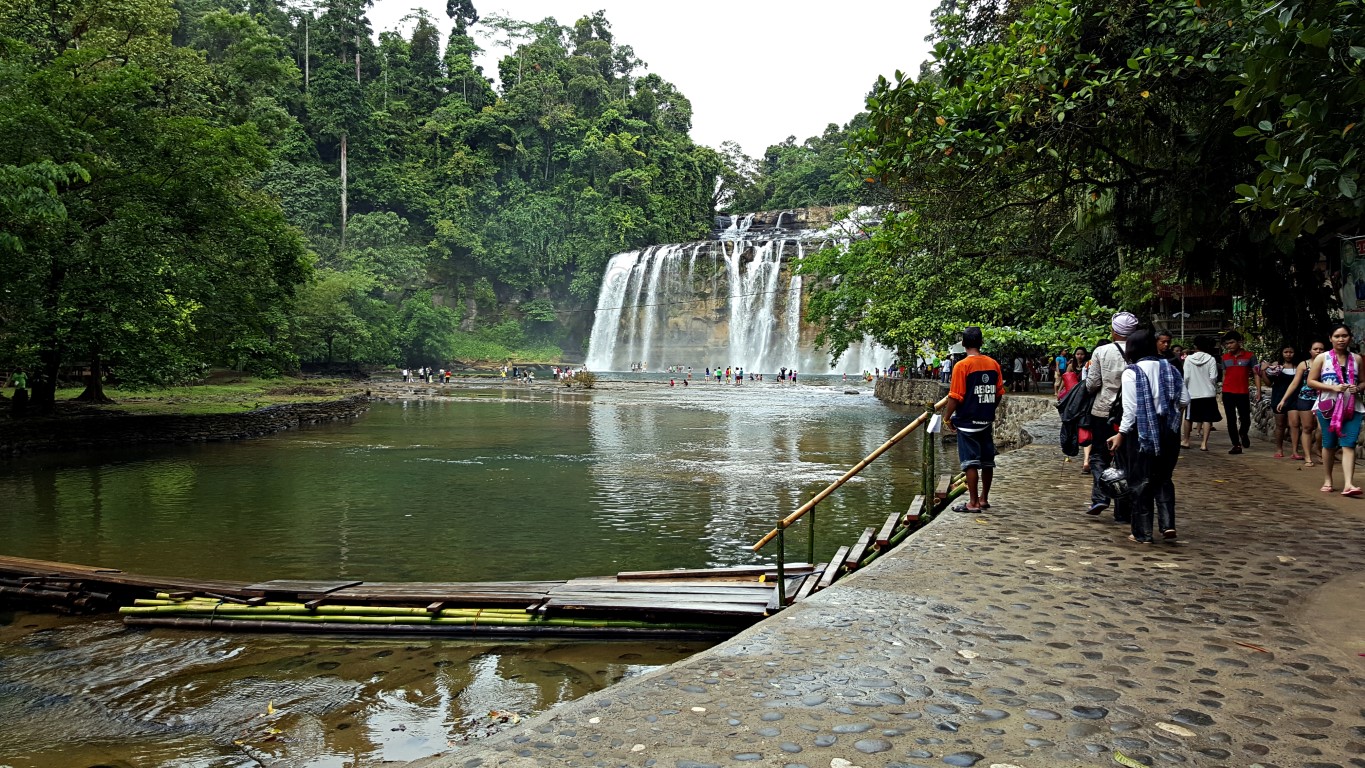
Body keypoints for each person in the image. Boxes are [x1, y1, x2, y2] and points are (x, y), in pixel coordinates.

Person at [1108, 328, 1188, 543]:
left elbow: (1130, 410)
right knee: (1164, 478)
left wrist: (1120, 434)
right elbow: (1184, 400)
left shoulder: (1132, 372)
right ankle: (1168, 524)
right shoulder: (1171, 368)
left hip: (1142, 432)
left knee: (1141, 481)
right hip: (1169, 431)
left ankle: (1142, 533)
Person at [942, 327, 1003, 513]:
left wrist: (947, 418)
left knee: (970, 463)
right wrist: (989, 408)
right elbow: (999, 393)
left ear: (963, 343)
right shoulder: (993, 364)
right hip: (985, 420)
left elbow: (955, 396)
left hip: (967, 422)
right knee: (987, 461)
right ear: (981, 343)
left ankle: (973, 503)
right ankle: (984, 499)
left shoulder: (962, 366)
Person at [1085, 312, 1138, 520]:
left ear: (1114, 331)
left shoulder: (1102, 351)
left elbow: (1092, 384)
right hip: (1131, 412)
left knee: (1100, 455)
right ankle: (1123, 511)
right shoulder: (1140, 350)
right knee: (1126, 460)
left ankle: (1101, 495)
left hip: (1103, 410)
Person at [1307, 324, 1365, 496]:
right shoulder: (1322, 358)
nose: (1341, 339)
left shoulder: (1357, 359)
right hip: (1328, 407)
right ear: (1330, 338)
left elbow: (1363, 381)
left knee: (1349, 444)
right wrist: (1333, 388)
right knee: (1329, 444)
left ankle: (1348, 484)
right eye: (1337, 336)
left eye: (1344, 336)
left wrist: (1358, 388)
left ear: (1350, 338)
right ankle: (1328, 479)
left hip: (1353, 407)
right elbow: (1311, 381)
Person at [1278, 340, 1326, 466]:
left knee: (1322, 428)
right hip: (1305, 398)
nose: (1318, 351)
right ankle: (1308, 457)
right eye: (1315, 349)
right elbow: (1294, 383)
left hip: (1323, 398)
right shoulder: (1303, 364)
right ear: (1310, 351)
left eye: (1321, 349)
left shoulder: (1329, 363)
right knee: (1307, 427)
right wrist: (1283, 399)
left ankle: (1318, 449)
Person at [1220, 331, 1260, 454]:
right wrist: (1222, 390)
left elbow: (1256, 373)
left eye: (1231, 342)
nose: (1229, 346)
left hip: (1242, 392)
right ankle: (1236, 444)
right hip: (1227, 392)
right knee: (1231, 419)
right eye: (1227, 344)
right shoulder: (1224, 357)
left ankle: (1243, 433)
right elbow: (1224, 374)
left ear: (1239, 342)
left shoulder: (1250, 356)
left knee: (1245, 418)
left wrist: (1259, 390)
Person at [1180, 336, 1221, 451]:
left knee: (1189, 418)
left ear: (1195, 346)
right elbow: (1213, 377)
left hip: (1192, 393)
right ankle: (1204, 444)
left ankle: (1186, 440)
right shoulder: (1211, 359)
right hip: (1208, 393)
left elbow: (1186, 377)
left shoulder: (1188, 359)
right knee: (1207, 418)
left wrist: (1186, 389)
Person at [1263, 345, 1299, 457]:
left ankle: (1295, 451)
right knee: (1280, 425)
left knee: (1295, 424)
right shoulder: (1277, 368)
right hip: (1278, 399)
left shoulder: (1299, 367)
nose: (1288, 354)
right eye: (1286, 352)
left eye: (1291, 352)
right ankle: (1279, 449)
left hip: (1295, 399)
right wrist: (1263, 371)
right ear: (1282, 353)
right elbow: (1268, 383)